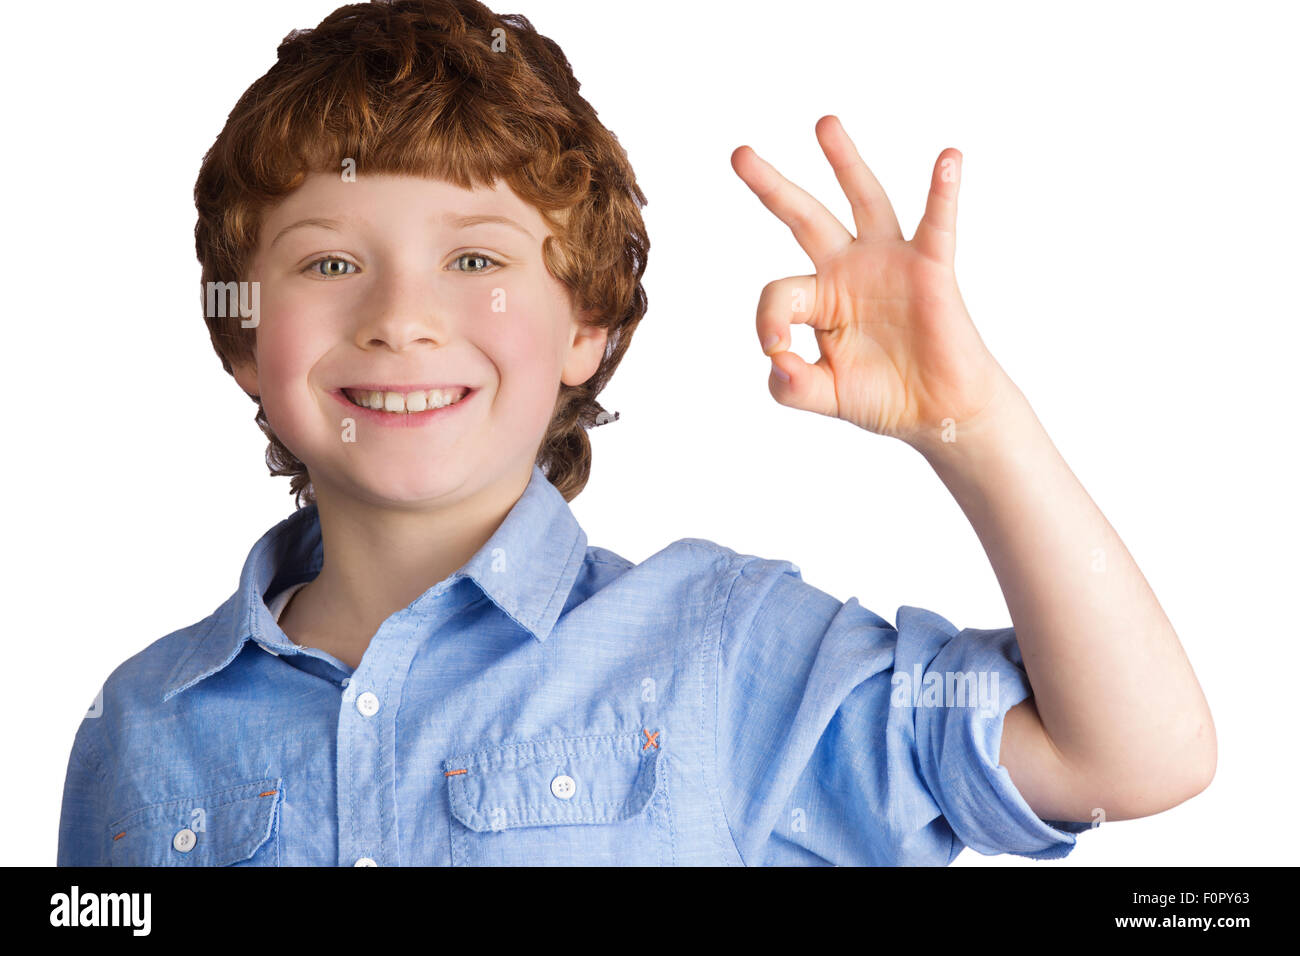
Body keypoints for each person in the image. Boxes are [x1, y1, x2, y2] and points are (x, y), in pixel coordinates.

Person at [56, 0, 1214, 866]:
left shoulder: (731, 657)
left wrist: (970, 418)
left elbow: (1130, 755)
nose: (400, 317)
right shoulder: (139, 725)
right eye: (328, 260)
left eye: (475, 259)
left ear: (589, 325)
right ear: (243, 332)